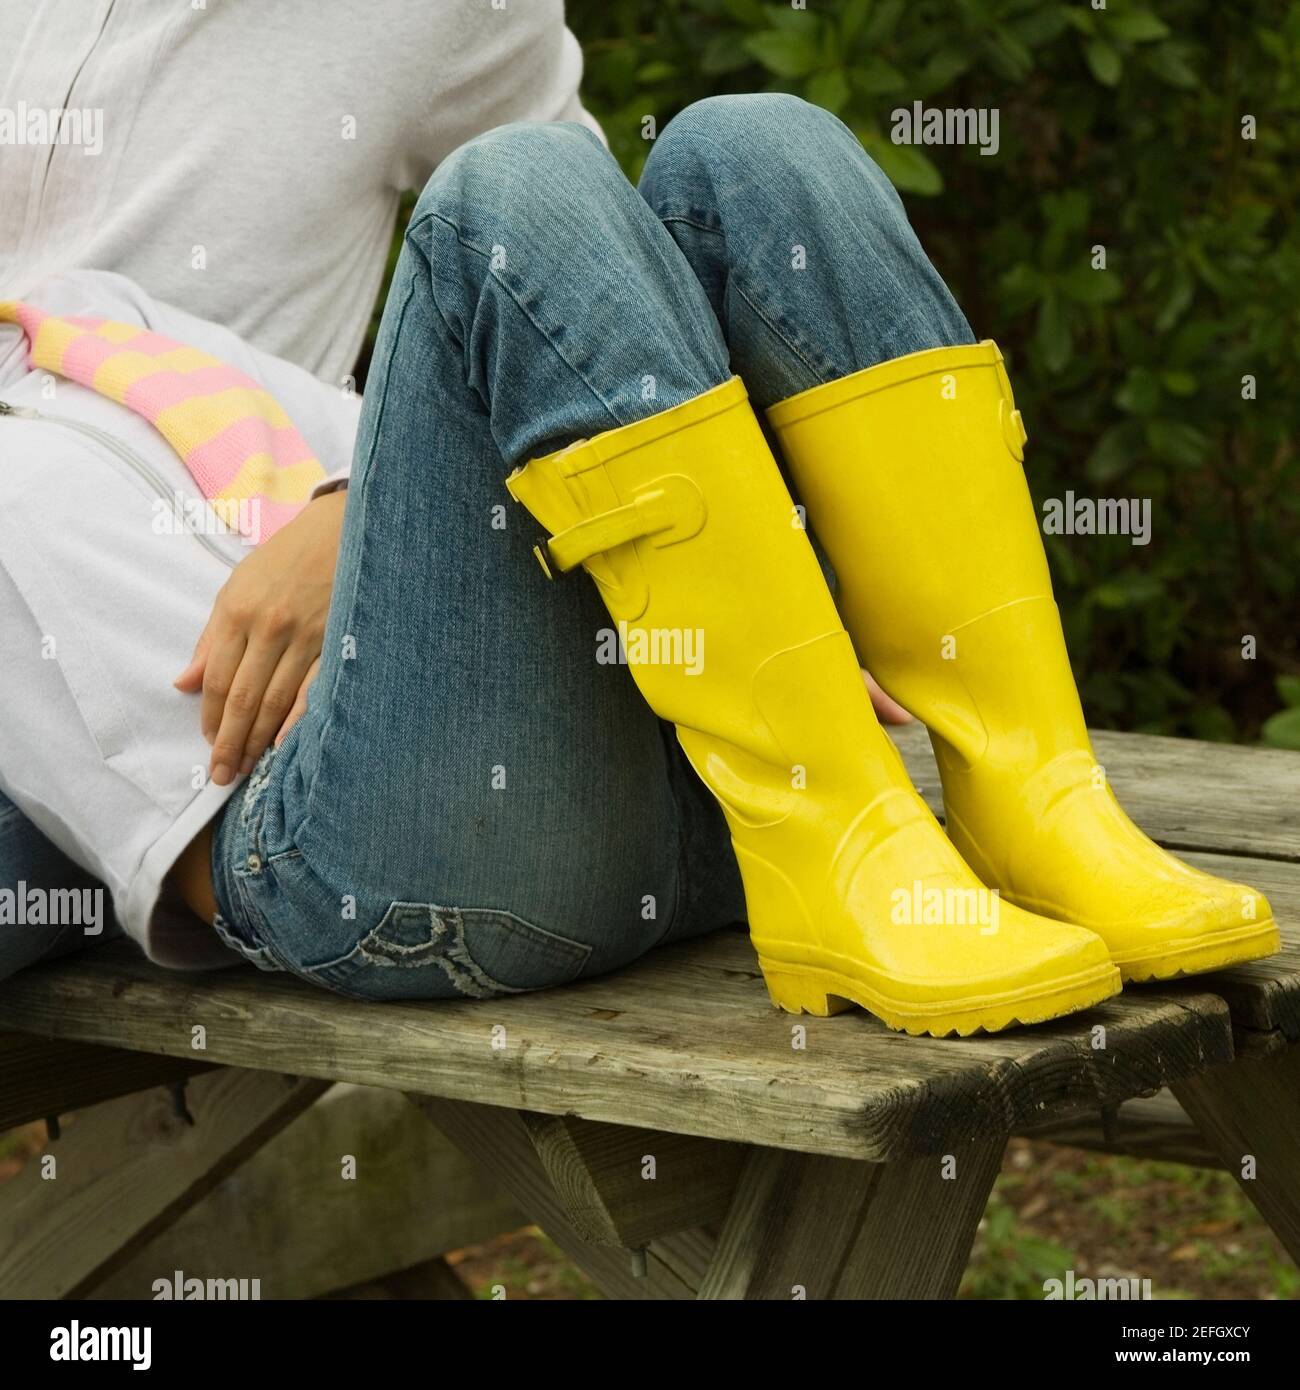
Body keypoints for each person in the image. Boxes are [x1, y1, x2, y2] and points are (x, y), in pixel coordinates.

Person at [0, 16, 1276, 1032]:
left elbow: (425, 460)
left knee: (753, 145)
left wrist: (349, 515)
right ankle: (848, 848)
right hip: (367, 852)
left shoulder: (101, 322)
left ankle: (1029, 799)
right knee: (509, 189)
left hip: (668, 787)